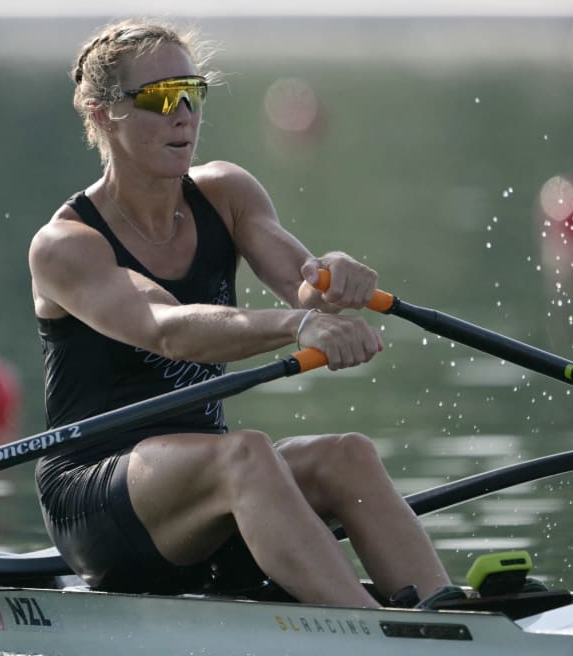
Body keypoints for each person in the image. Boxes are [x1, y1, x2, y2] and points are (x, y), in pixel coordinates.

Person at [28, 19, 461, 609]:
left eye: (193, 91)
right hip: (98, 500)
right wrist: (298, 328)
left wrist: (334, 278)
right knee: (247, 452)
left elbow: (303, 286)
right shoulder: (66, 245)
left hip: (211, 492)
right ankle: (372, 632)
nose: (184, 113)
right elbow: (168, 330)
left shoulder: (226, 193)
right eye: (160, 97)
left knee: (347, 453)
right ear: (105, 114)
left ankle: (446, 614)